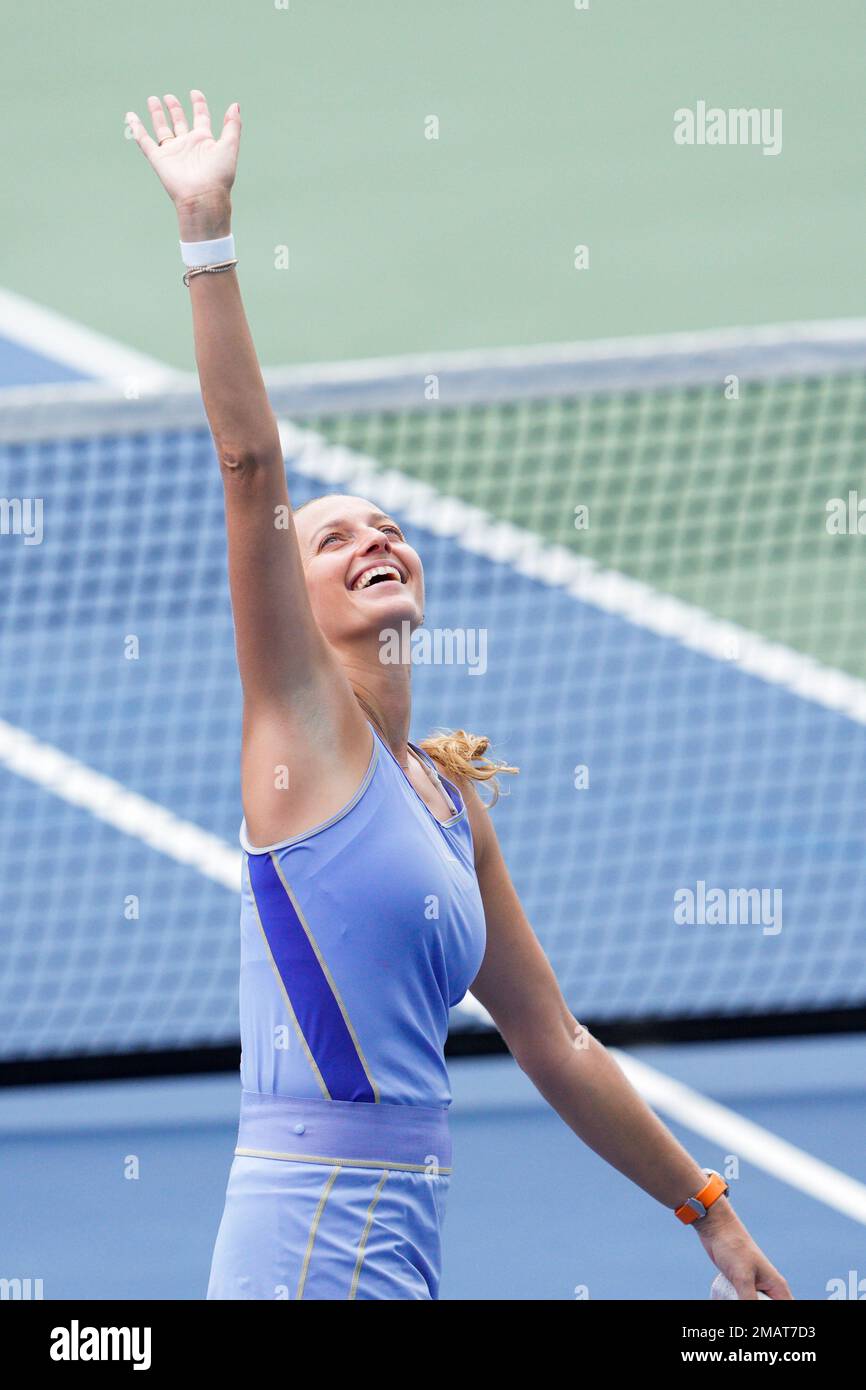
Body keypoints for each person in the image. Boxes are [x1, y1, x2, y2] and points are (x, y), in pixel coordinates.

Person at [125, 88, 793, 1302]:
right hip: (305, 1234)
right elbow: (250, 462)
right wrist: (206, 233)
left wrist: (706, 1211)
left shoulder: (444, 798)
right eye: (332, 541)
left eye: (388, 526)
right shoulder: (297, 735)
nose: (373, 537)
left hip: (406, 1235)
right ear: (292, 587)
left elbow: (554, 1040)